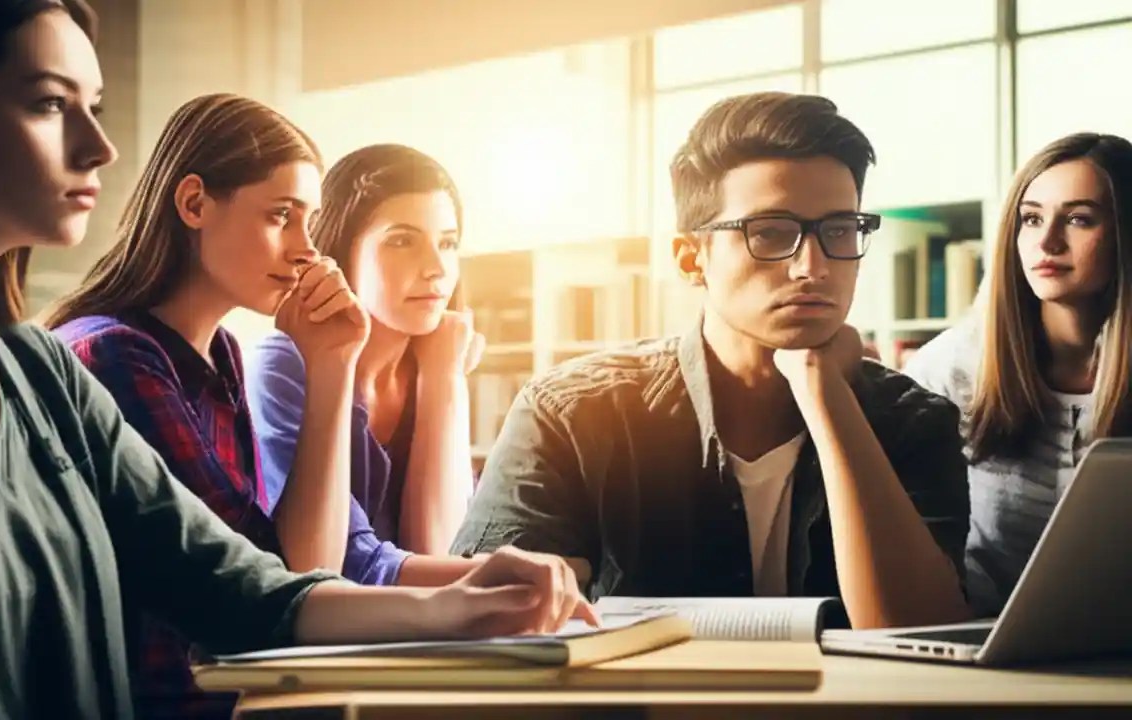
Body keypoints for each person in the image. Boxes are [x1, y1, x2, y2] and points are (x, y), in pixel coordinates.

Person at [0, 2, 592, 718]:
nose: (100, 148)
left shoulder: (44, 379)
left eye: (96, 109)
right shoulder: (102, 356)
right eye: (49, 105)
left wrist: (456, 605)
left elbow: (242, 586)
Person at [44, 95, 589, 715]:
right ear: (194, 204)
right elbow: (260, 587)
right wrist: (449, 605)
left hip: (240, 695)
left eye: (312, 220)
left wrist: (333, 364)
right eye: (282, 216)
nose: (308, 249)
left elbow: (293, 573)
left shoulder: (218, 353)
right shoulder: (115, 358)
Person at [452, 92, 973, 630]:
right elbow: (490, 621)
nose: (811, 267)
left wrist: (829, 401)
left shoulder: (911, 421)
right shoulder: (572, 415)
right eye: (771, 232)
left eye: (839, 230)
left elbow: (918, 637)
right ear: (690, 257)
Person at [904, 132, 1132, 616]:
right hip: (980, 647)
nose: (1046, 241)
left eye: (1078, 219)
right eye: (1031, 219)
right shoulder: (949, 370)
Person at [245, 144, 480, 581]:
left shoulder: (438, 360)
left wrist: (444, 378)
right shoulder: (283, 367)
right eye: (402, 241)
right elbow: (323, 569)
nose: (436, 269)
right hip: (313, 638)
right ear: (340, 249)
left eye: (448, 243)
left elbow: (442, 549)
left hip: (425, 633)